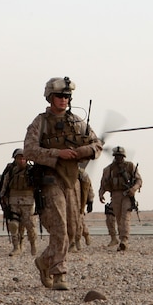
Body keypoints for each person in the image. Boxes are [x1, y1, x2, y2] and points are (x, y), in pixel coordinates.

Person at [23, 76, 102, 291]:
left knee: (73, 229)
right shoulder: (40, 122)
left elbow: (97, 145)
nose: (64, 100)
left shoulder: (77, 122)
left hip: (72, 181)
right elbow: (29, 150)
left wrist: (81, 151)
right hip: (50, 180)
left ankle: (44, 261)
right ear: (50, 97)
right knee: (59, 228)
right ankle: (59, 274)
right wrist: (58, 154)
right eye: (59, 96)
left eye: (67, 96)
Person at [99, 146, 141, 251]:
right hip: (115, 195)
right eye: (117, 156)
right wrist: (101, 194)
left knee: (125, 217)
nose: (119, 158)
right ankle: (120, 238)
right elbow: (103, 183)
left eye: (121, 156)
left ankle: (124, 240)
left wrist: (133, 189)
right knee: (118, 218)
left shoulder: (130, 166)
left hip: (127, 195)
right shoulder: (109, 169)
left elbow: (139, 181)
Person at [0, 148, 37, 257]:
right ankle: (16, 247)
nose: (21, 161)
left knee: (29, 226)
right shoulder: (11, 171)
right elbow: (4, 185)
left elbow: (37, 187)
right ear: (15, 159)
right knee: (14, 225)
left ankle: (33, 245)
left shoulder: (31, 171)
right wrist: (3, 198)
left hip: (28, 202)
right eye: (19, 158)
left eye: (23, 158)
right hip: (13, 201)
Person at [73, 168, 94, 250]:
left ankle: (79, 239)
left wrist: (90, 201)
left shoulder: (81, 174)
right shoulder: (63, 171)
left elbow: (88, 187)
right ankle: (76, 240)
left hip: (79, 201)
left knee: (79, 221)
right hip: (68, 200)